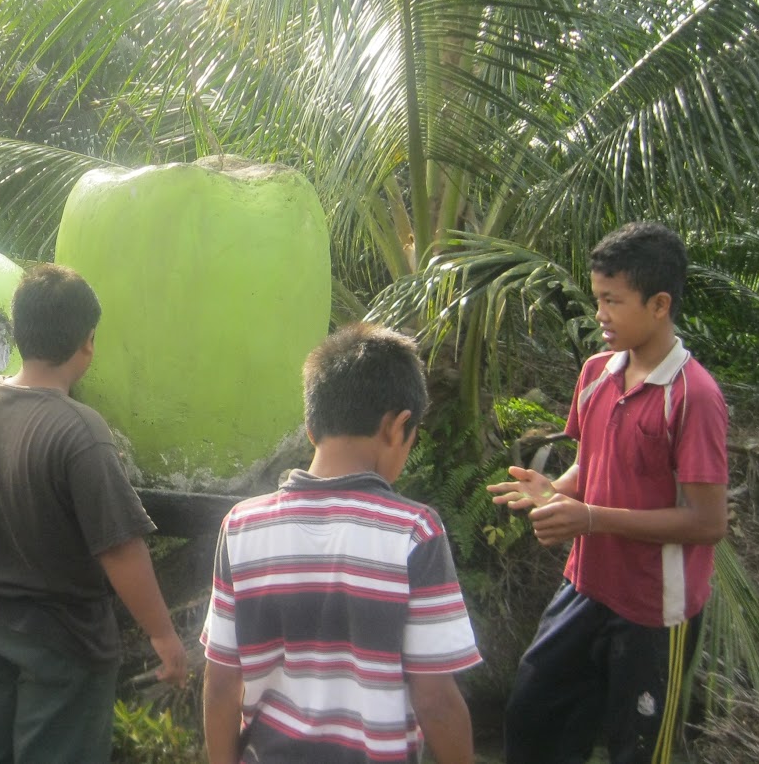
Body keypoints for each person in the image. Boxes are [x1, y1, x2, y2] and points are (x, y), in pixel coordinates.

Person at [490, 221, 728, 764]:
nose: (599, 313)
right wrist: (552, 490)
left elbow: (707, 522)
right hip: (586, 586)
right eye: (598, 298)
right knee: (533, 718)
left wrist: (590, 518)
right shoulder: (597, 371)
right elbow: (592, 466)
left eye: (612, 301)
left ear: (659, 304)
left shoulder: (694, 396)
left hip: (653, 612)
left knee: (638, 749)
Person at [201, 323, 479, 764]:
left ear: (311, 427)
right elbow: (436, 701)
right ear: (398, 427)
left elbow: (220, 684)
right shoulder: (414, 531)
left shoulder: (241, 526)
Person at [0, 264, 189, 764]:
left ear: (18, 333)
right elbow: (120, 546)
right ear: (88, 343)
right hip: (60, 640)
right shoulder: (80, 432)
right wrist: (164, 635)